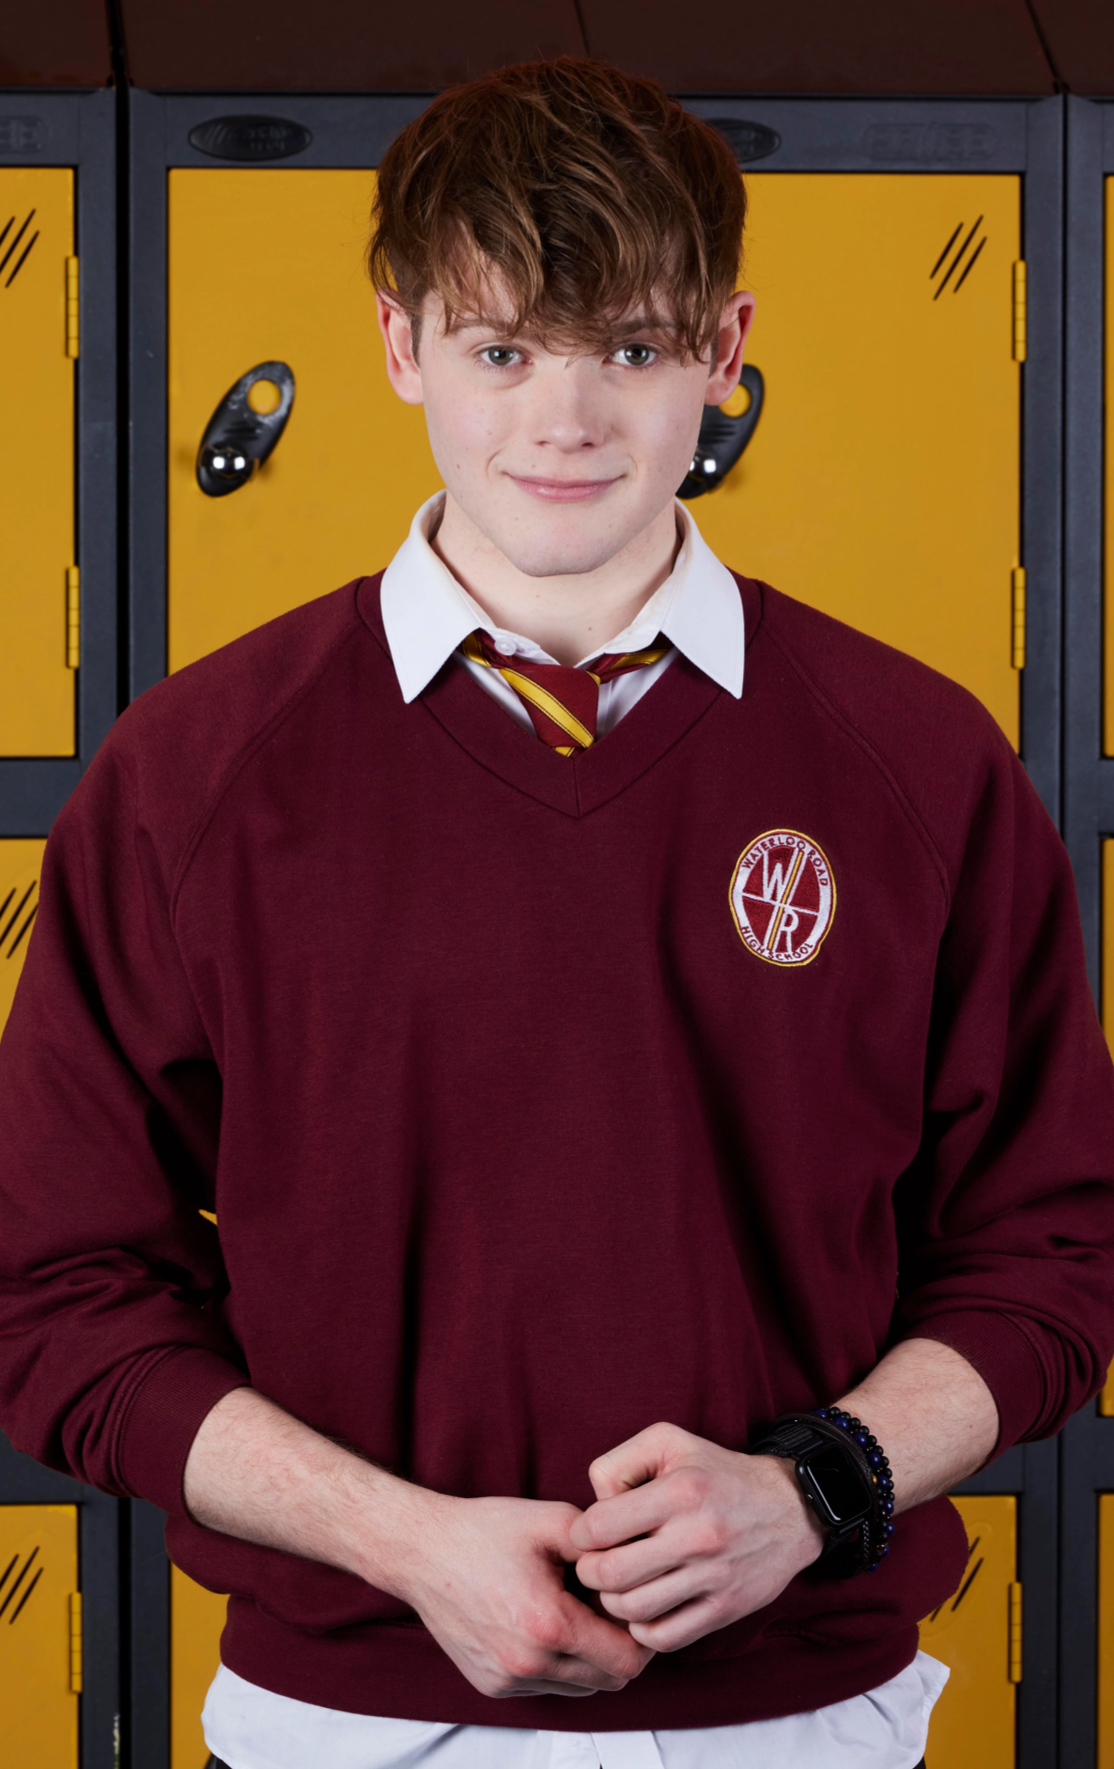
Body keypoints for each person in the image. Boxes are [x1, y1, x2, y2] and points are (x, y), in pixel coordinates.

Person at [1, 56, 1112, 1769]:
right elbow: (57, 1287)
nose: (567, 419)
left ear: (726, 350)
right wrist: (398, 1540)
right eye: (502, 349)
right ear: (400, 346)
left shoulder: (915, 761)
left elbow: (1055, 1250)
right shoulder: (192, 775)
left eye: (633, 351)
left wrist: (821, 1485)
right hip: (338, 1729)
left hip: (802, 1723)